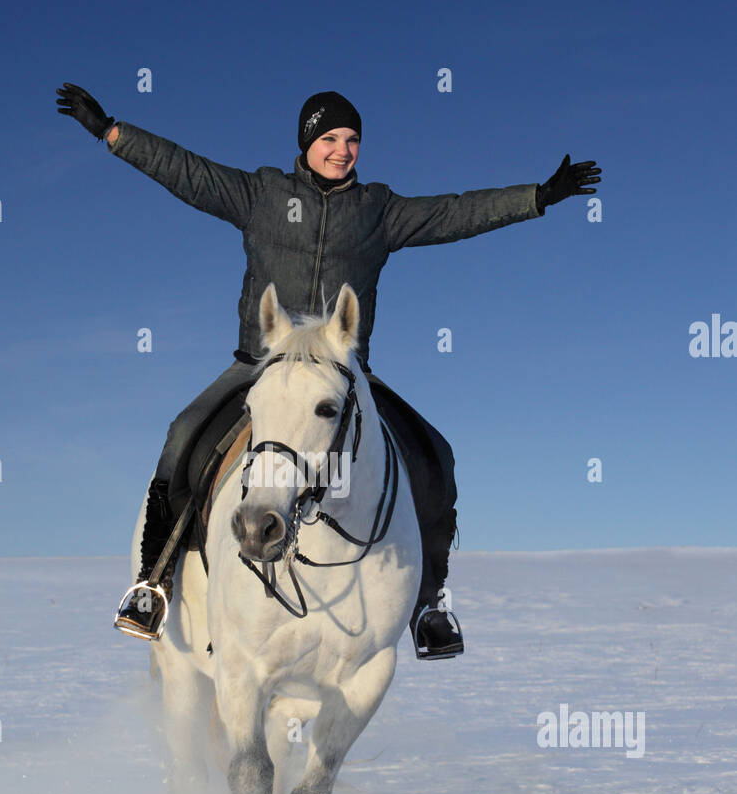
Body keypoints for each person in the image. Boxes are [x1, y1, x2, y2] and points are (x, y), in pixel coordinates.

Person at [57, 82, 600, 657]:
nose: (343, 149)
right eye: (330, 138)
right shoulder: (261, 195)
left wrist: (538, 196)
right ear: (307, 142)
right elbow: (187, 172)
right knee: (182, 438)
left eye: (352, 139)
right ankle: (154, 581)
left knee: (434, 454)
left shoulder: (378, 211)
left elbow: (455, 213)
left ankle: (429, 605)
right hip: (262, 367)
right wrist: (113, 132)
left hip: (343, 376)